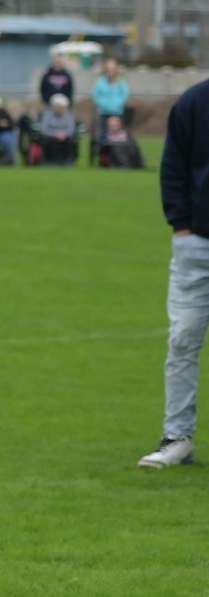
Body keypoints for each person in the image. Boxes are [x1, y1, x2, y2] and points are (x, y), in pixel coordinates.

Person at [142, 71, 209, 467]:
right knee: (183, 339)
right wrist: (181, 227)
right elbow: (173, 168)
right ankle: (177, 436)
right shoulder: (193, 102)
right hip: (196, 244)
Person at [92, 58, 130, 162]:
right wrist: (106, 106)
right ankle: (105, 158)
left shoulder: (121, 83)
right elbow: (97, 96)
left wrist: (116, 106)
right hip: (104, 113)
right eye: (109, 68)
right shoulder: (100, 82)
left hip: (117, 113)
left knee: (118, 137)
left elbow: (124, 95)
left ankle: (118, 158)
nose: (111, 71)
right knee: (105, 136)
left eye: (113, 68)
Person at [34, 93, 77, 165]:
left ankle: (66, 161)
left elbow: (71, 129)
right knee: (48, 141)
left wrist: (64, 134)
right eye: (58, 107)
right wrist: (55, 134)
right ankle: (49, 161)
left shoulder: (69, 115)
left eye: (62, 107)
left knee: (70, 141)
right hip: (50, 137)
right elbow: (44, 129)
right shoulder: (46, 114)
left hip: (65, 137)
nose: (61, 109)